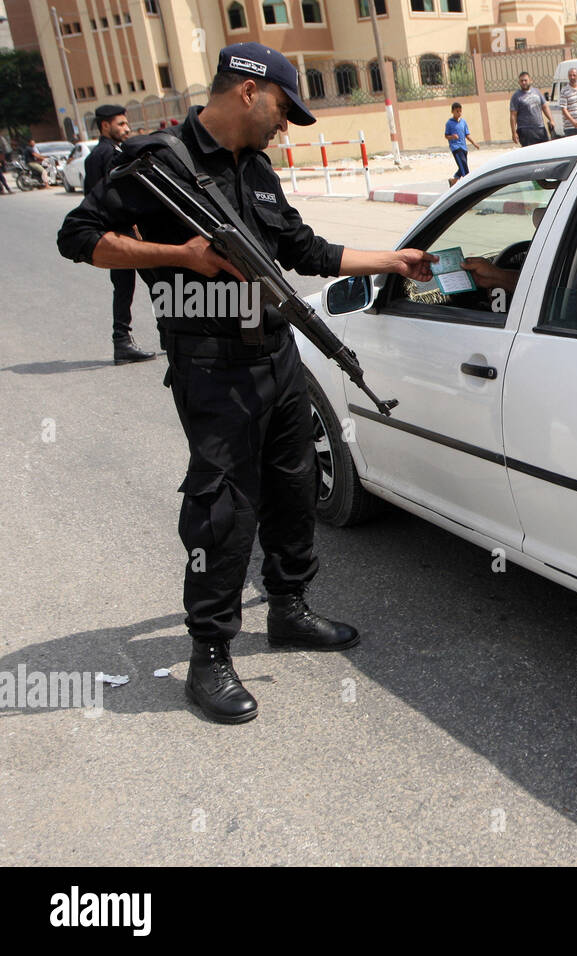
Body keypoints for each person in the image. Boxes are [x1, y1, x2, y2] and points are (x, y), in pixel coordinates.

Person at [57, 42, 436, 725]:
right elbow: (78, 238)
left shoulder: (257, 168)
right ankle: (209, 653)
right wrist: (180, 258)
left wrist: (392, 260)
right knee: (222, 509)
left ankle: (288, 609)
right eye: (283, 110)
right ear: (247, 93)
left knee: (294, 487)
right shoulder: (152, 163)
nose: (285, 125)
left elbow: (302, 249)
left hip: (277, 354)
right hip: (209, 365)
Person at [85, 104, 155, 365]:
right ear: (105, 126)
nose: (126, 128)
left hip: (117, 231)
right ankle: (124, 343)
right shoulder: (105, 155)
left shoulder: (102, 154)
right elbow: (110, 196)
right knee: (154, 281)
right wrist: (132, 228)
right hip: (122, 231)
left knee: (132, 286)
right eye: (121, 124)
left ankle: (131, 340)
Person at [464, 191, 577, 295]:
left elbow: (545, 291)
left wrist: (496, 275)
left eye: (559, 237)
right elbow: (546, 286)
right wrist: (494, 277)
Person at [510, 71, 555, 147]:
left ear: (530, 81)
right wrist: (514, 133)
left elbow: (544, 106)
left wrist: (551, 120)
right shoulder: (516, 96)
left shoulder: (537, 92)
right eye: (521, 81)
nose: (524, 82)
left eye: (525, 80)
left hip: (540, 128)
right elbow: (513, 115)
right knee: (530, 153)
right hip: (525, 130)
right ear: (519, 82)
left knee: (545, 150)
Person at [444, 101, 479, 187]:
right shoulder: (449, 123)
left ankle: (453, 181)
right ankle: (469, 183)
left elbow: (467, 135)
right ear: (452, 111)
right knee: (464, 165)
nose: (459, 113)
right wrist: (452, 137)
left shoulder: (463, 122)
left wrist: (474, 143)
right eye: (457, 111)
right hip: (456, 148)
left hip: (464, 148)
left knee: (462, 166)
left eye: (460, 111)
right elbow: (446, 136)